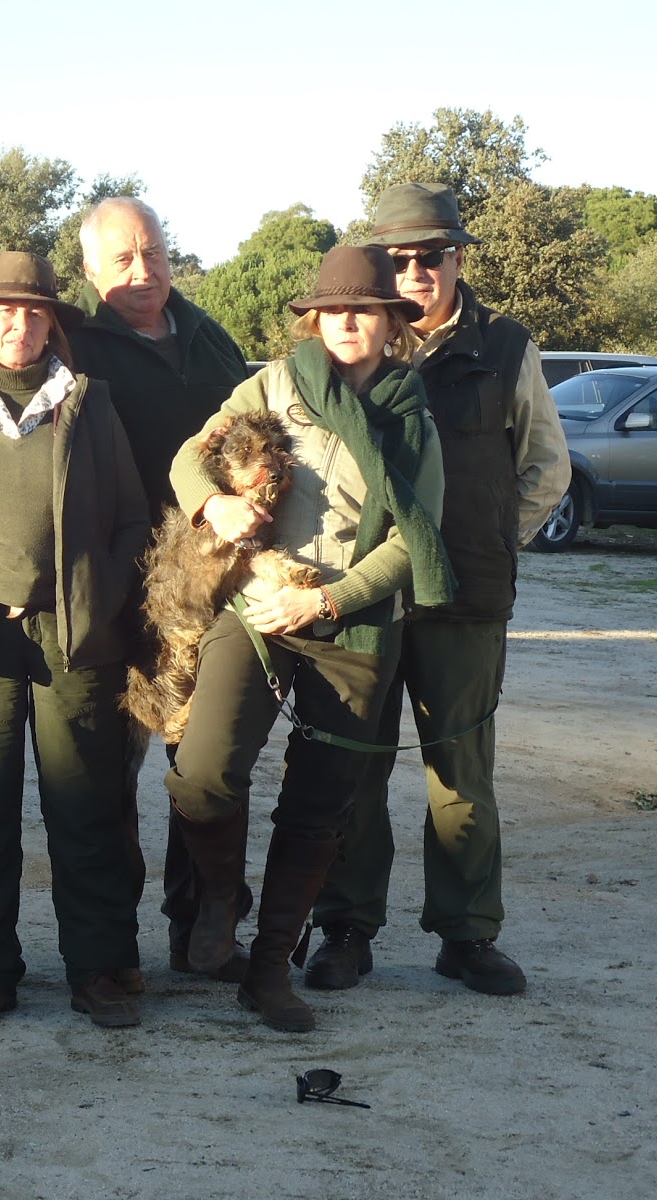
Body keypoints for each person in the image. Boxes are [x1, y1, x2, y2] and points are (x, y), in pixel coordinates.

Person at [166, 245, 450, 1032]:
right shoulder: (271, 383)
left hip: (351, 621)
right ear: (315, 318)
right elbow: (191, 457)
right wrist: (212, 509)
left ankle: (268, 970)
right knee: (202, 773)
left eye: (365, 309)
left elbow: (412, 538)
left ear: (392, 321)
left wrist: (329, 601)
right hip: (257, 602)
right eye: (334, 309)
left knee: (319, 805)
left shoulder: (409, 411)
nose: (349, 322)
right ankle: (222, 894)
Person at [305, 184, 571, 997]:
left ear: (458, 257)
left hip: (465, 599)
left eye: (433, 255)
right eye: (398, 257)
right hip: (363, 598)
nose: (416, 270)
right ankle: (345, 928)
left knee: (461, 773)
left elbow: (545, 468)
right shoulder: (349, 343)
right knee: (353, 766)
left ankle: (467, 935)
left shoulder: (506, 346)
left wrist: (489, 540)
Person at [0, 251, 150, 1027]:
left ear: (53, 322)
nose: (19, 324)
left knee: (88, 811)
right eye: (2, 311)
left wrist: (90, 600)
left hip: (74, 639)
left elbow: (131, 523)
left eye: (34, 310)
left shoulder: (89, 406)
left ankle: (101, 969)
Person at [67, 197, 254, 985]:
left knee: (205, 766)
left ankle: (202, 927)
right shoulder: (73, 347)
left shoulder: (213, 340)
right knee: (106, 774)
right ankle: (112, 949)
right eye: (121, 260)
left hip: (209, 589)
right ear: (88, 271)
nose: (143, 273)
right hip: (113, 588)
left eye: (154, 253)